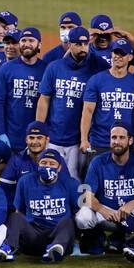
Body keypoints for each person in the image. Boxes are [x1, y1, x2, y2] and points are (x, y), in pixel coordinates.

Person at [78, 126, 134, 254]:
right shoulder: (97, 161)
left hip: (133, 211)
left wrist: (131, 205)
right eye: (113, 138)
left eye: (121, 137)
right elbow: (85, 196)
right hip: (107, 212)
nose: (117, 141)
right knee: (83, 216)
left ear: (130, 140)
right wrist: (101, 209)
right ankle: (96, 239)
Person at [36, 25, 105, 177]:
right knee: (50, 177)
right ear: (69, 45)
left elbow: (115, 71)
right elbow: (44, 100)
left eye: (86, 44)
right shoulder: (55, 67)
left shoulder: (96, 67)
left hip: (78, 140)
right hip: (54, 137)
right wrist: (40, 130)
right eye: (78, 44)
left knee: (76, 181)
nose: (83, 48)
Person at [1, 149, 82, 263]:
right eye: (44, 163)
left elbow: (78, 212)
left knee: (68, 222)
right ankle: (8, 248)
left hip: (58, 234)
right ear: (38, 165)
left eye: (52, 164)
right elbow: (20, 211)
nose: (47, 166)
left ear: (59, 168)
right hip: (33, 235)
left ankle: (55, 250)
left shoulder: (71, 183)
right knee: (14, 217)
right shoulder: (25, 181)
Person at [80, 38, 134, 161]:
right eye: (115, 53)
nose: (118, 57)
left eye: (122, 54)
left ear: (130, 57)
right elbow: (88, 111)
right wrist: (84, 140)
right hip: (99, 142)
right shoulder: (96, 80)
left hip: (126, 143)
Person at [0, 26, 48, 151]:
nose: (27, 44)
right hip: (11, 137)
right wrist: (0, 133)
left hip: (37, 138)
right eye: (23, 40)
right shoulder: (6, 69)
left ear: (39, 45)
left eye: (31, 41)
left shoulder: (47, 70)